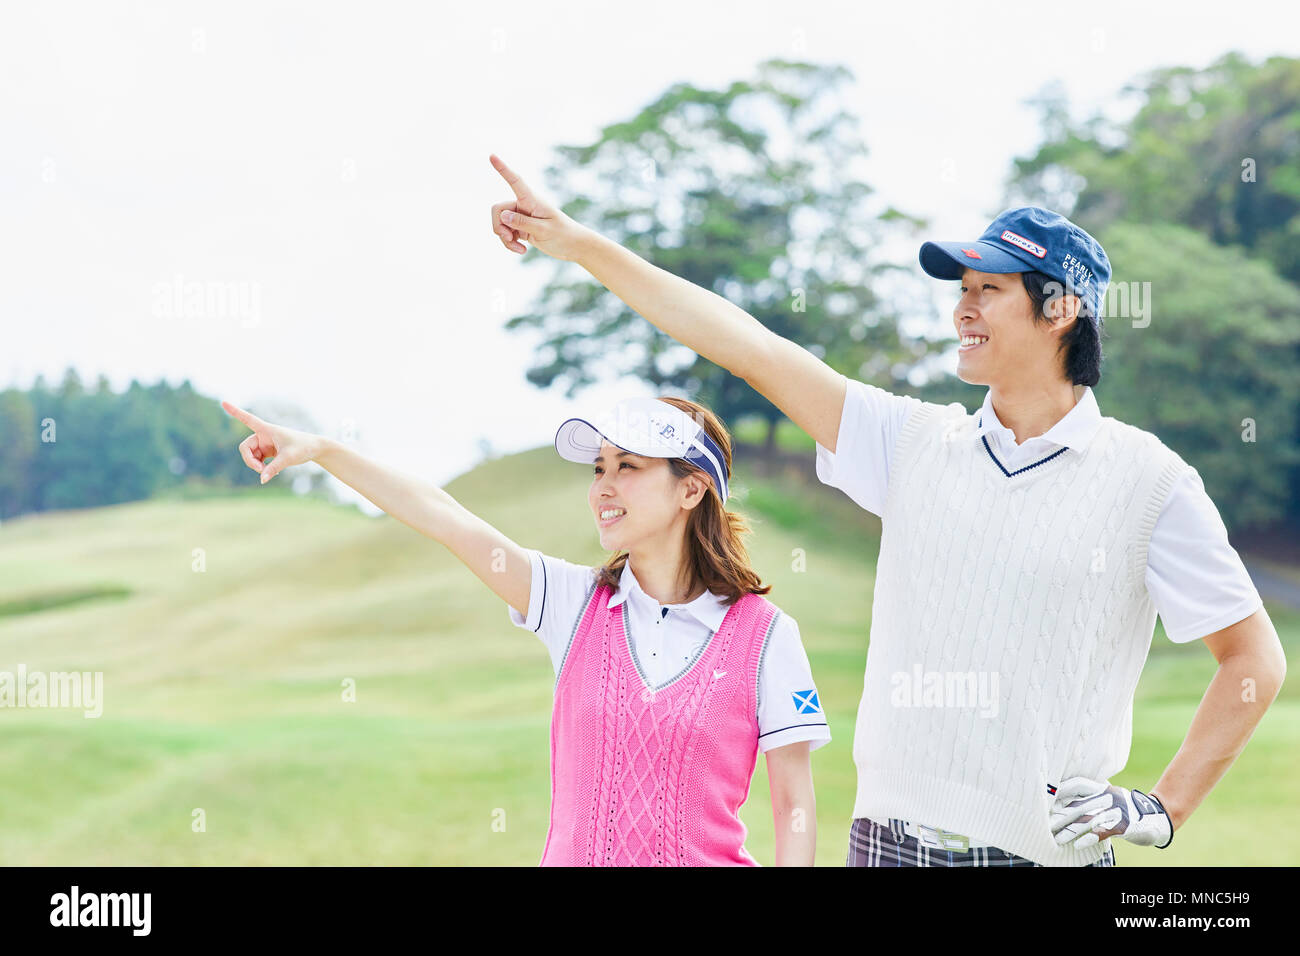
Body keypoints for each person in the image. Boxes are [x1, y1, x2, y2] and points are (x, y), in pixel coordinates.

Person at [487, 154, 1287, 867]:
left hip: (1039, 857)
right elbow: (749, 347)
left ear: (1061, 310)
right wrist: (580, 246)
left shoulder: (1150, 483)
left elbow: (1254, 660)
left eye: (990, 291)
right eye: (961, 290)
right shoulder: (913, 442)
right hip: (882, 846)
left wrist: (1158, 808)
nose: (962, 310)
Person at [220, 394, 829, 866]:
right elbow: (448, 519)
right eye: (599, 468)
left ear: (691, 489)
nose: (603, 488)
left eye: (629, 467)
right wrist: (324, 450)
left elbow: (792, 803)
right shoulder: (573, 604)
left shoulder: (767, 638)